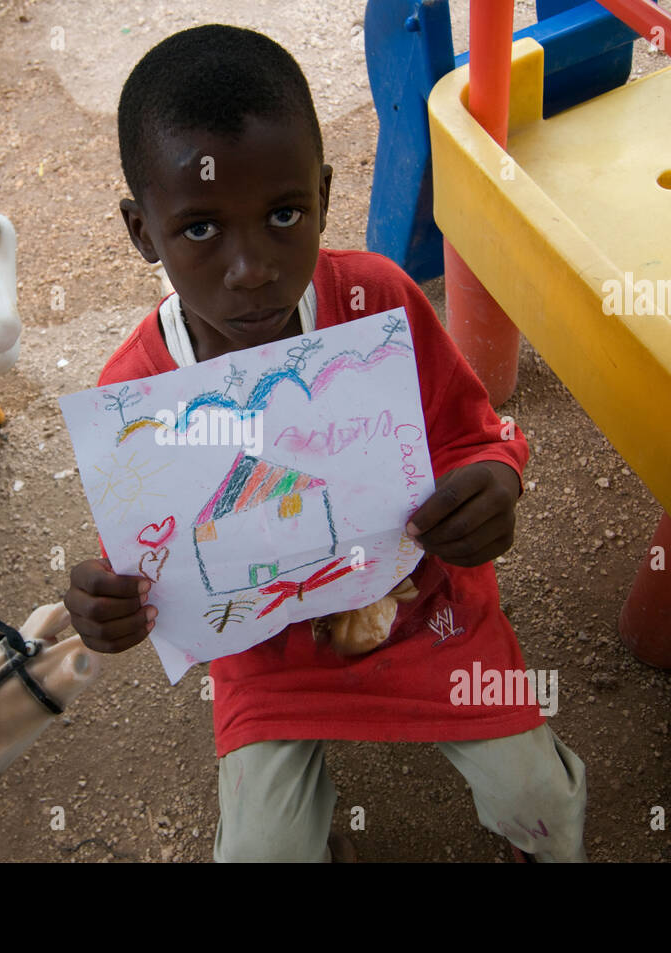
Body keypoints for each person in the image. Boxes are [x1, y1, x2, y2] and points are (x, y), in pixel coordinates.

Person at [63, 24, 586, 862]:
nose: (252, 268)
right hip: (267, 656)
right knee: (262, 854)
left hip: (427, 612)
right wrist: (108, 604)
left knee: (541, 802)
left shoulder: (376, 303)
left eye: (283, 214)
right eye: (200, 229)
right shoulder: (134, 397)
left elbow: (471, 431)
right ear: (140, 231)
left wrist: (494, 478)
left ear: (325, 194)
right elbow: (149, 559)